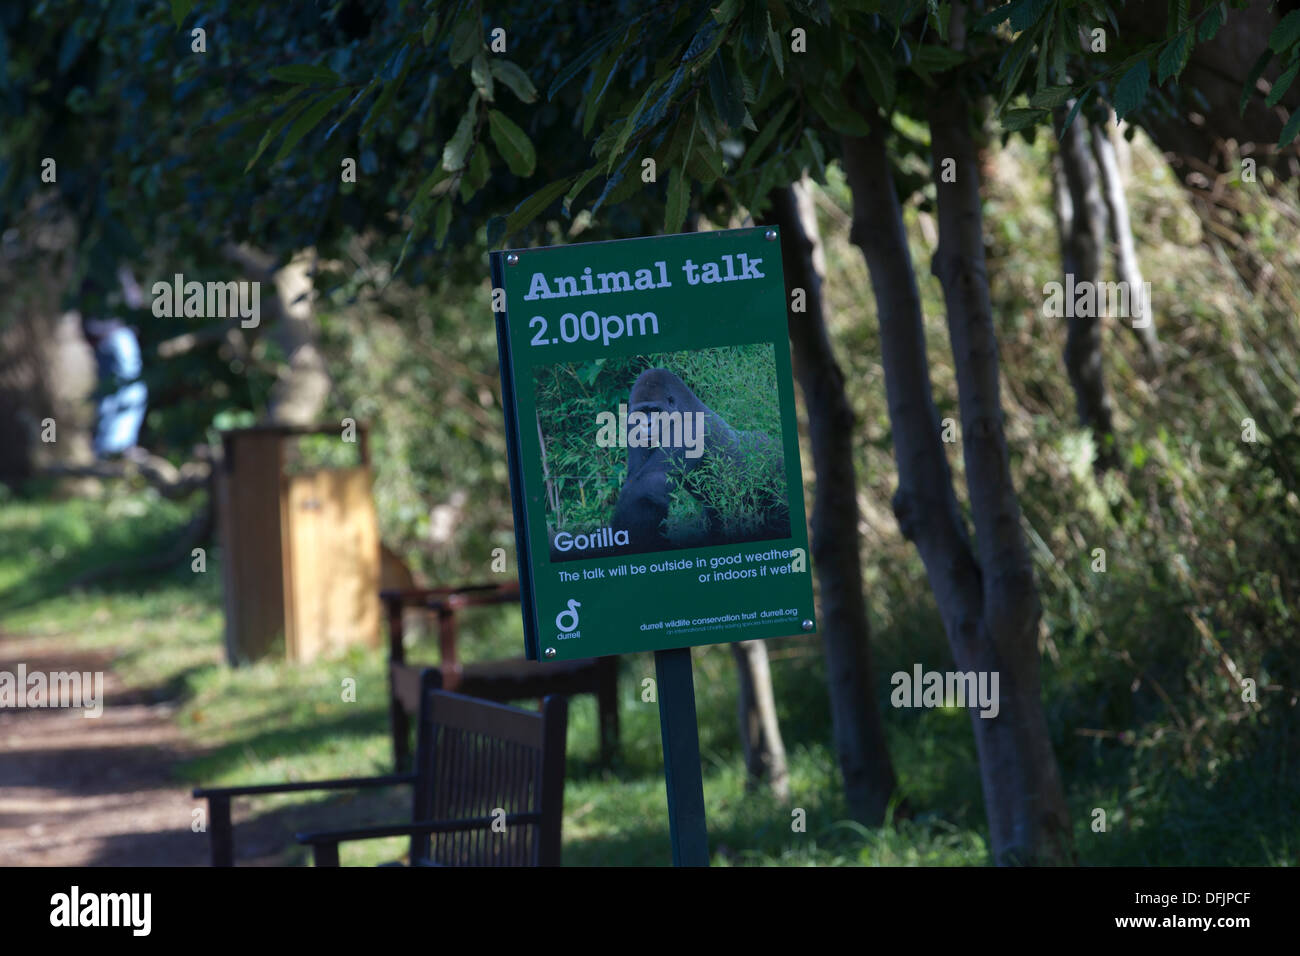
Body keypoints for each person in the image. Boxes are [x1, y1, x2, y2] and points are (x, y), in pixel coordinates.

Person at [82, 313, 148, 457]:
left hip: (112, 335)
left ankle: (111, 450)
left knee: (119, 393)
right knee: (129, 392)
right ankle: (113, 451)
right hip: (116, 335)